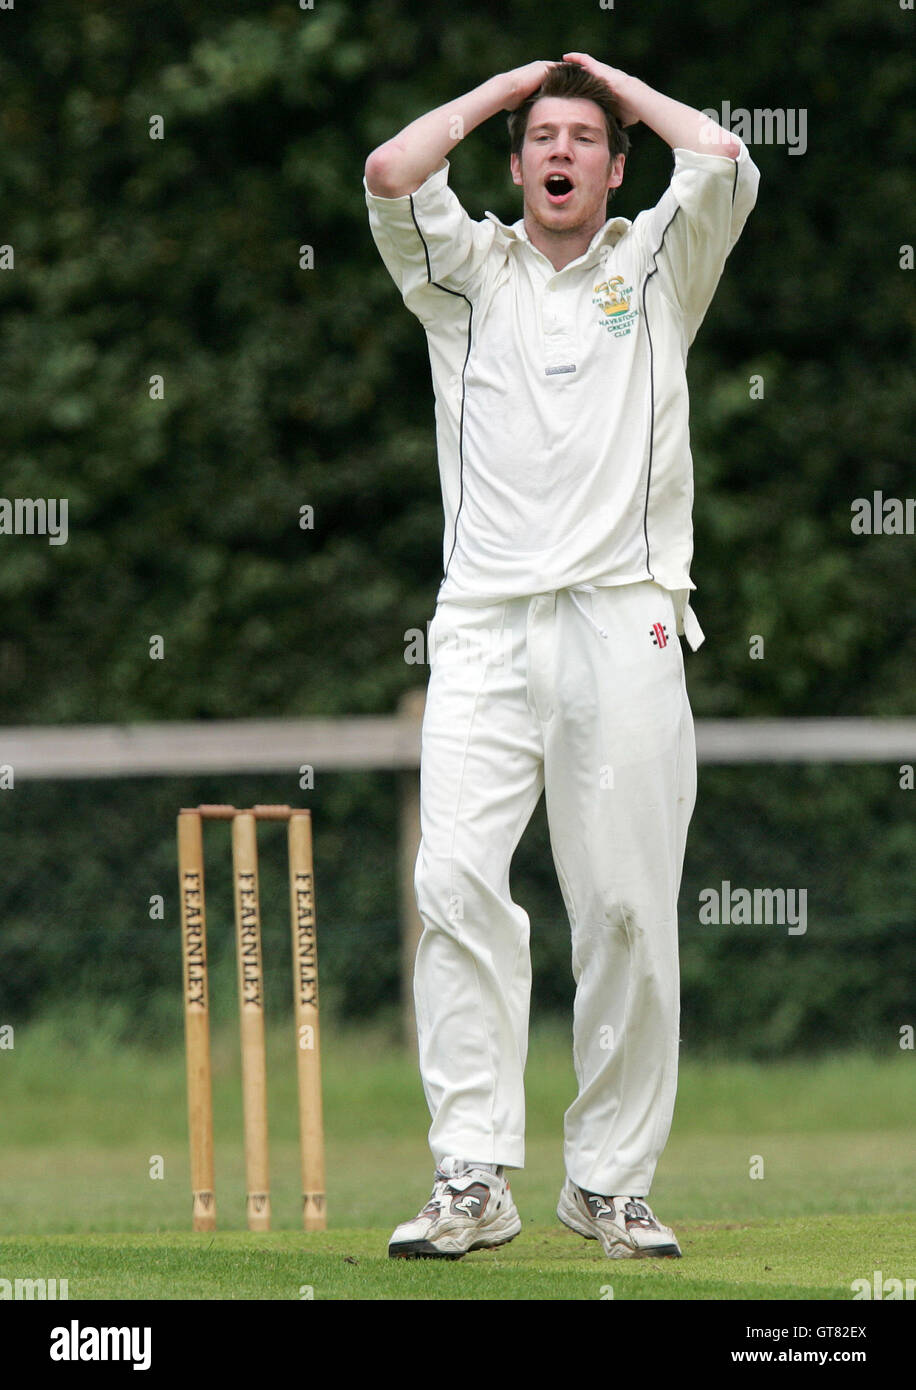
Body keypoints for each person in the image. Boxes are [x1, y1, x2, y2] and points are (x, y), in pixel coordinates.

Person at [364, 53, 759, 1260]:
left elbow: (729, 159)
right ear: (514, 157)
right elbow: (390, 168)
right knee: (453, 888)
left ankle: (607, 1183)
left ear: (619, 163)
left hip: (625, 611)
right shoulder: (464, 274)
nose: (562, 152)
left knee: (628, 908)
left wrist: (611, 83)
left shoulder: (658, 263)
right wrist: (512, 85)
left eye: (586, 138)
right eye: (543, 136)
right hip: (483, 621)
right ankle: (471, 1179)